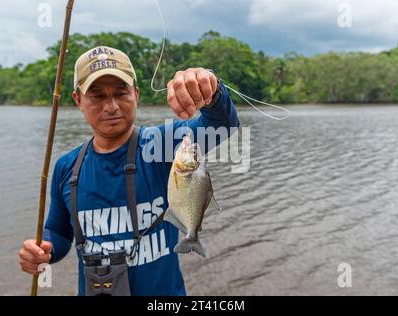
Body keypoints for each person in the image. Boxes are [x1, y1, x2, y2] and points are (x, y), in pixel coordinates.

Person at [19, 46, 239, 295]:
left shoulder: (163, 145)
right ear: (78, 100)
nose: (111, 106)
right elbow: (59, 232)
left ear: (136, 94)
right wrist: (42, 250)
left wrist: (210, 88)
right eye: (97, 95)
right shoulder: (67, 168)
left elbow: (223, 123)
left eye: (121, 92)